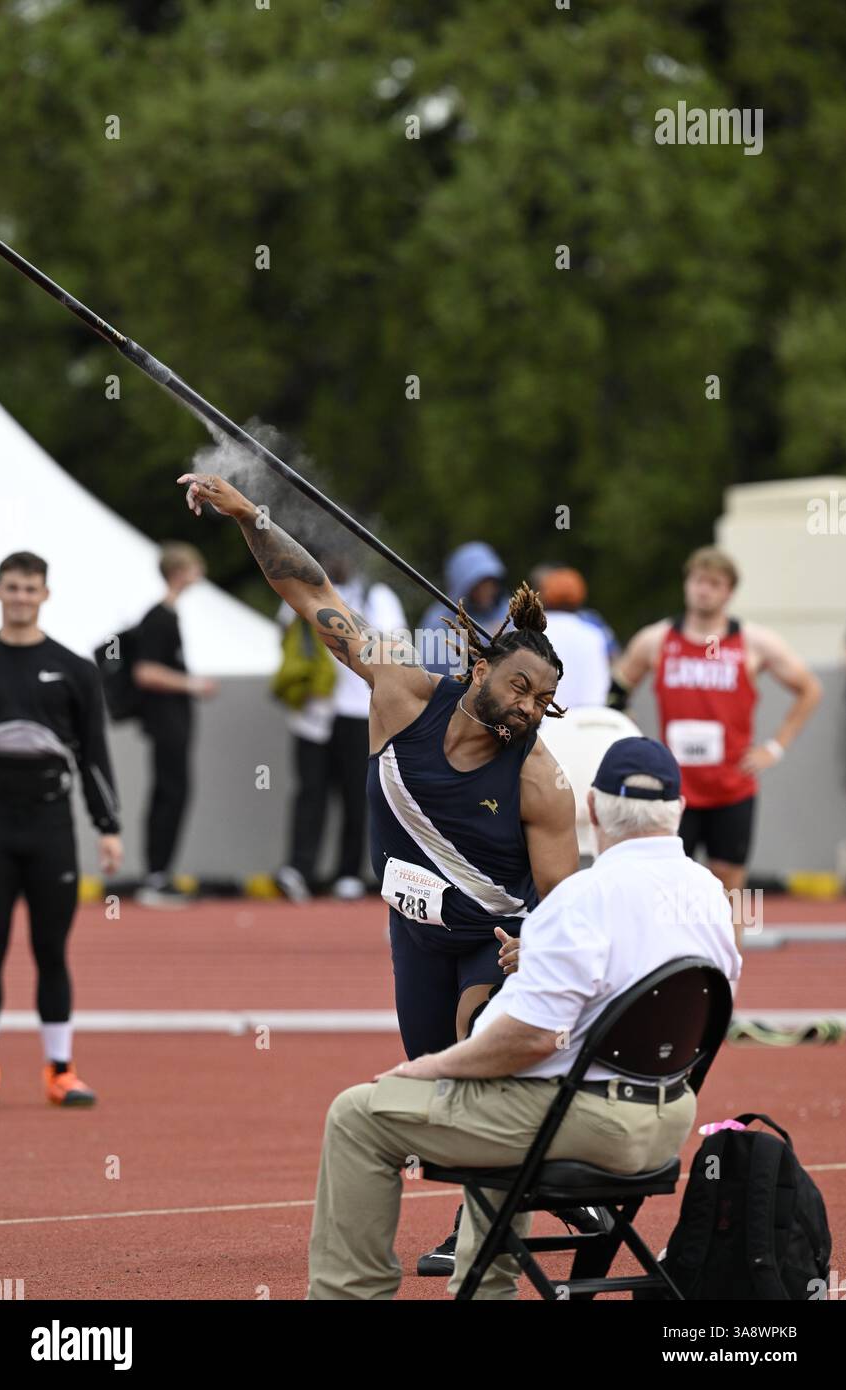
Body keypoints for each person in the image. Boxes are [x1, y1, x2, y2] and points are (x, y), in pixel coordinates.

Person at [175, 470, 579, 1273]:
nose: (529, 708)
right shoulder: (400, 690)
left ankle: (486, 1232)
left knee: (476, 1064)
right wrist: (252, 515)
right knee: (434, 1084)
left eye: (543, 700)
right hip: (412, 933)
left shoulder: (540, 778)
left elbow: (566, 901)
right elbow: (312, 591)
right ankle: (497, 1202)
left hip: (488, 940)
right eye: (521, 686)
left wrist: (534, 943)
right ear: (482, 667)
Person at [305, 736, 742, 1299]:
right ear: (679, 810)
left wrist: (431, 1067)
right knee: (502, 1090)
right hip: (665, 1125)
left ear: (591, 807)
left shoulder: (582, 897)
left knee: (356, 1116)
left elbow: (528, 1037)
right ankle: (484, 1292)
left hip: (580, 1122)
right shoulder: (710, 895)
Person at [610, 547, 822, 932]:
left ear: (729, 593)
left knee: (729, 887)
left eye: (714, 584)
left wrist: (775, 747)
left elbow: (809, 689)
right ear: (686, 584)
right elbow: (615, 690)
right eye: (697, 581)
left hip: (732, 787)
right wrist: (635, 740)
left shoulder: (755, 642)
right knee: (669, 885)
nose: (703, 591)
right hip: (676, 790)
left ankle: (728, 976)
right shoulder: (657, 640)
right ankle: (670, 973)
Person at [0, 552, 123, 1108]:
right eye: (11, 588)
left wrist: (107, 826)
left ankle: (60, 1070)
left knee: (51, 949)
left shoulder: (74, 669)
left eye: (29, 589)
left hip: (50, 826)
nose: (20, 597)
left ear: (44, 594)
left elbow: (93, 754)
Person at [275, 550, 407, 902]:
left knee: (355, 793)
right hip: (312, 711)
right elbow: (284, 633)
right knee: (309, 792)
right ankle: (299, 869)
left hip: (358, 711)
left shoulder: (377, 597)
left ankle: (348, 871)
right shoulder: (302, 589)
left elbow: (397, 646)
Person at [132, 543, 217, 907]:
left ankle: (159, 873)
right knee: (170, 792)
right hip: (165, 720)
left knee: (174, 791)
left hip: (173, 719)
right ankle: (156, 875)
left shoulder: (168, 615)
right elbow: (145, 672)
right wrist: (193, 684)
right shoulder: (159, 617)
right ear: (180, 570)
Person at [418, 542, 508, 677]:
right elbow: (427, 664)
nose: (488, 590)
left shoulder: (509, 611)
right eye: (480, 585)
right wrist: (484, 642)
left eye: (491, 583)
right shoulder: (439, 617)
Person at [539, 568, 612, 708]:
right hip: (591, 721)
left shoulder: (530, 631)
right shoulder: (594, 634)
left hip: (544, 722)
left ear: (544, 597)